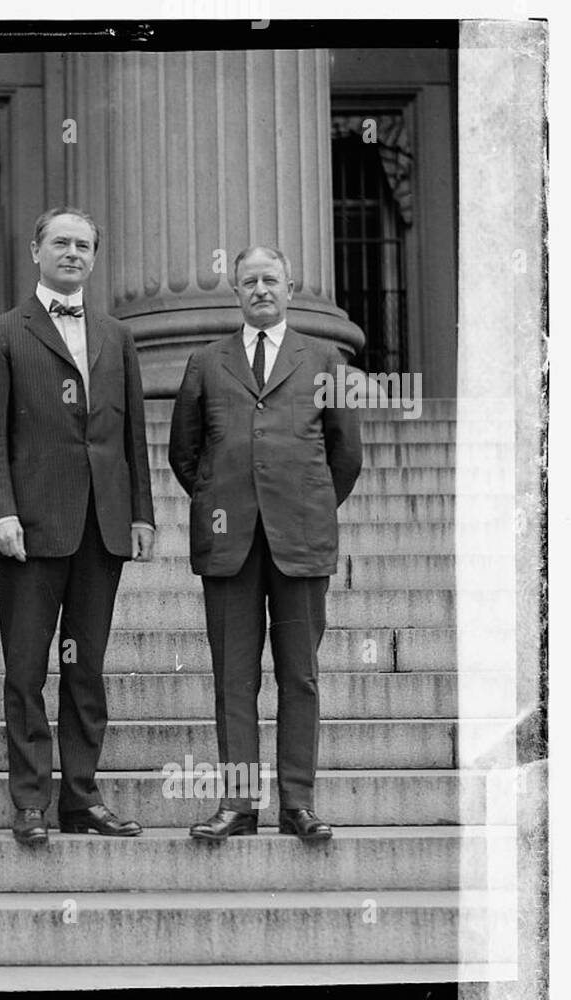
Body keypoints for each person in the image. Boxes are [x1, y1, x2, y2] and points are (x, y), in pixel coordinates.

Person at [0, 207, 155, 847]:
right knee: (25, 671)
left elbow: (131, 431)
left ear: (94, 258)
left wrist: (141, 513)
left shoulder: (117, 334)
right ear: (35, 251)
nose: (72, 253)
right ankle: (29, 803)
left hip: (101, 527)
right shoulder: (2, 333)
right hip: (30, 530)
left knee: (87, 670)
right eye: (60, 243)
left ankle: (81, 798)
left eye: (83, 245)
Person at [168, 245, 363, 843]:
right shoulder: (206, 361)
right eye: (248, 281)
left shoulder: (326, 358)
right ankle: (237, 804)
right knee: (234, 678)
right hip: (229, 542)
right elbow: (185, 451)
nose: (259, 290)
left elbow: (346, 454)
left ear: (290, 285)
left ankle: (298, 803)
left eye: (270, 280)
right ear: (235, 291)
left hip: (299, 540)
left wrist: (303, 506)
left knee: (299, 676)